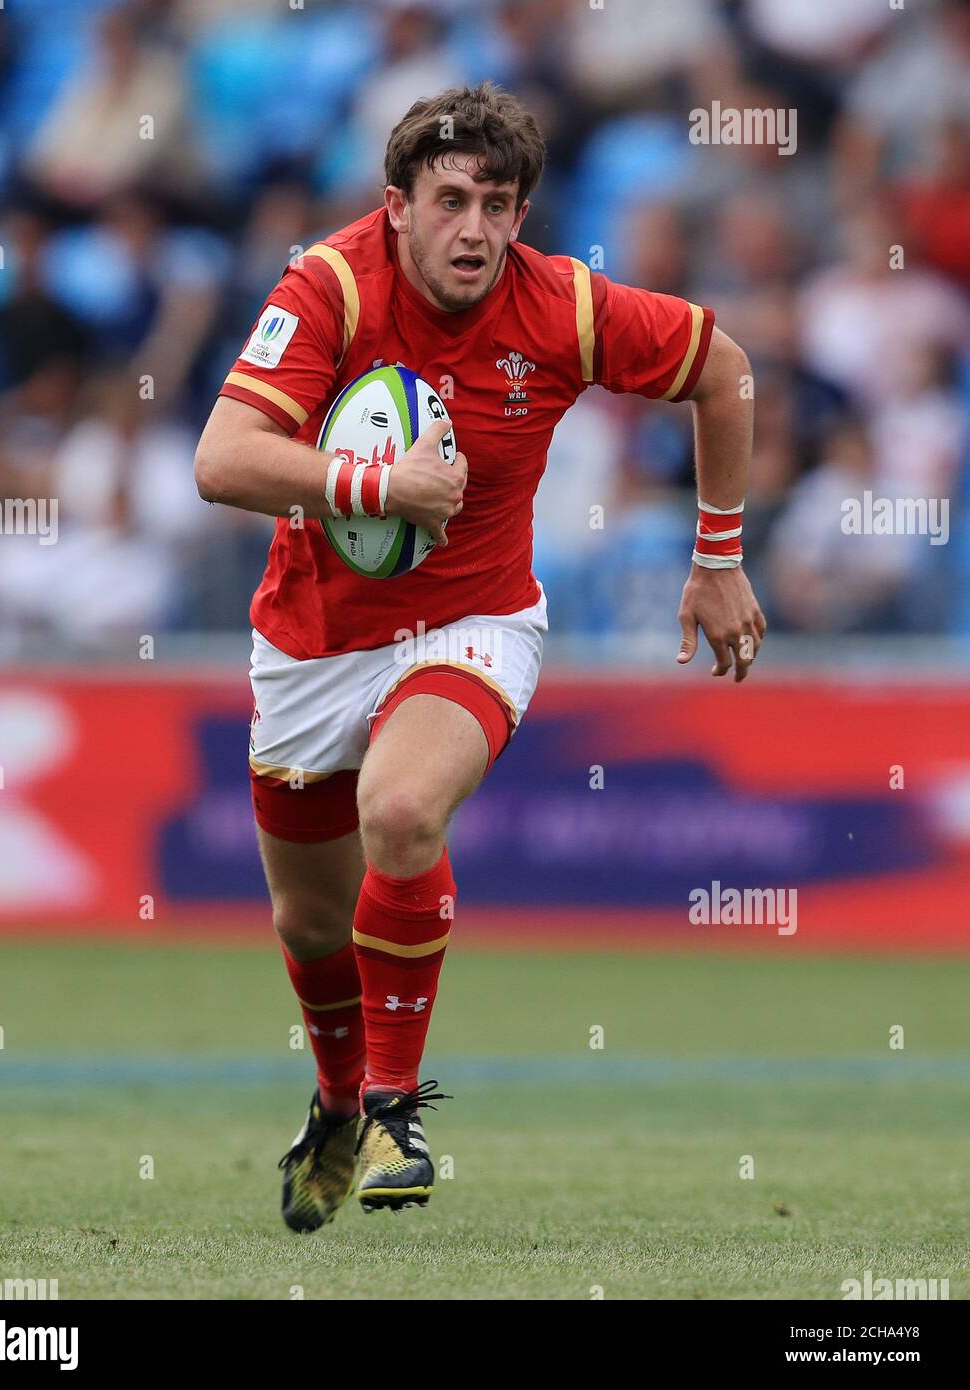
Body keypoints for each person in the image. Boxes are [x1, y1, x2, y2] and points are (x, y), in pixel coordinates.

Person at [194, 82, 766, 1233]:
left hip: (475, 622)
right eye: (448, 199)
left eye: (496, 205)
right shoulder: (331, 284)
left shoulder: (565, 307)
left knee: (400, 816)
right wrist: (375, 484)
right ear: (395, 206)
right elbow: (222, 458)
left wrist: (716, 554)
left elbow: (725, 371)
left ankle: (397, 1106)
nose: (472, 228)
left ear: (519, 216)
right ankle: (340, 1098)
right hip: (312, 645)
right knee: (311, 925)